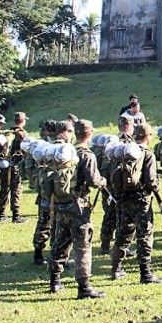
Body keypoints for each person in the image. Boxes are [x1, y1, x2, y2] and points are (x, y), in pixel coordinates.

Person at [49, 119, 106, 298]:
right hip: (79, 207)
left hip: (61, 204)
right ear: (89, 133)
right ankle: (84, 287)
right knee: (82, 246)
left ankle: (55, 281)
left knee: (60, 242)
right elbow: (93, 181)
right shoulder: (87, 155)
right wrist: (103, 181)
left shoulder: (66, 152)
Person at [110, 122, 162, 284]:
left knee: (122, 234)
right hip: (141, 201)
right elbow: (151, 181)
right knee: (144, 236)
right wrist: (158, 192)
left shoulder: (124, 152)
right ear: (147, 136)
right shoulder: (147, 154)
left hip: (123, 199)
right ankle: (145, 274)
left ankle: (116, 269)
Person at [98, 116, 135, 255]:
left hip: (107, 185)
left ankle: (105, 244)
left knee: (109, 215)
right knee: (123, 217)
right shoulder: (128, 143)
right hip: (122, 186)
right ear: (129, 126)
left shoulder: (111, 142)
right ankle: (123, 246)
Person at [32, 120, 58, 264]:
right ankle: (49, 253)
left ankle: (38, 253)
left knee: (43, 223)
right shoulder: (55, 146)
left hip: (43, 190)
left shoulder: (40, 146)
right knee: (51, 224)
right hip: (52, 192)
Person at [0, 112, 28, 223]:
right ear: (23, 120)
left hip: (5, 163)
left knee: (4, 188)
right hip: (16, 164)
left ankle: (1, 214)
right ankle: (16, 215)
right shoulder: (22, 134)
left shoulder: (8, 131)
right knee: (16, 189)